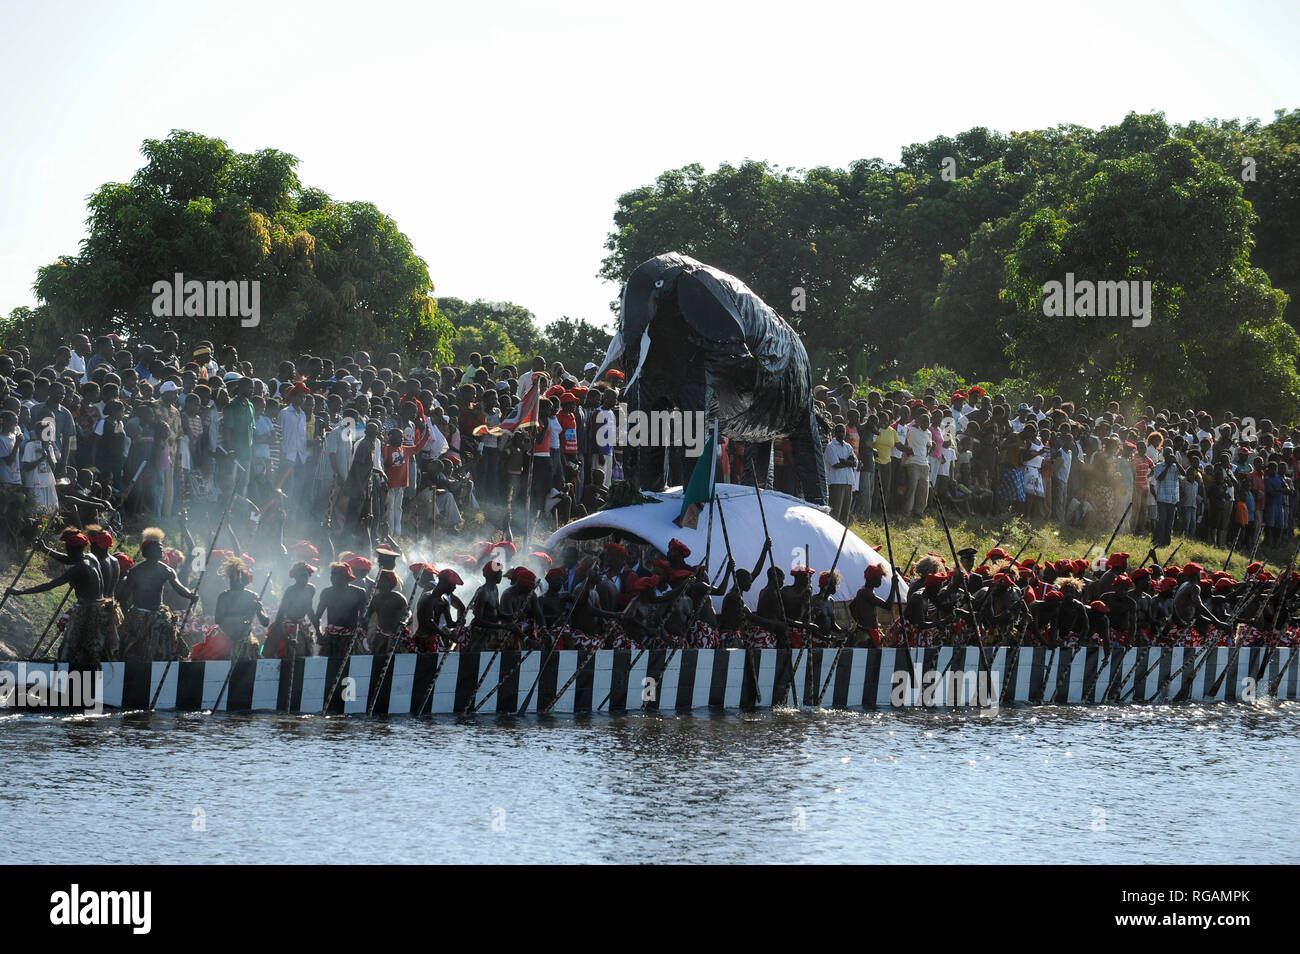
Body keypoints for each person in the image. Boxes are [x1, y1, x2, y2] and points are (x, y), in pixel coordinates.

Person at [118, 527, 197, 661]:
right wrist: (128, 618)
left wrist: (190, 595)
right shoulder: (136, 571)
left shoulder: (167, 570)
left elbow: (179, 587)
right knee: (134, 650)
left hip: (158, 615)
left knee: (164, 650)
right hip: (139, 616)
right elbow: (123, 598)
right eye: (158, 547)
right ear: (148, 551)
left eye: (161, 547)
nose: (162, 550)